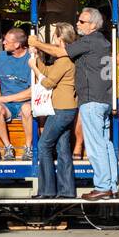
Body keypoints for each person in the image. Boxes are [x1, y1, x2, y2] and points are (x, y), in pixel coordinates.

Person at [32, 7, 117, 200]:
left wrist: (36, 43)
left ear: (93, 25)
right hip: (104, 99)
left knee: (96, 146)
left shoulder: (89, 41)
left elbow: (61, 52)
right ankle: (111, 184)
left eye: (82, 21)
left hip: (91, 100)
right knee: (105, 144)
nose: (77, 24)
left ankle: (103, 186)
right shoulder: (103, 42)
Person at [32, 23, 78, 198]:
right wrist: (36, 60)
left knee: (44, 145)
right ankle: (66, 190)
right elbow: (49, 71)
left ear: (59, 38)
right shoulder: (64, 59)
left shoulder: (65, 60)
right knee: (63, 148)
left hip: (61, 109)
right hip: (65, 108)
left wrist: (34, 68)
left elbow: (47, 82)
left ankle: (47, 190)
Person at [0, 28, 34, 161]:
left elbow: (32, 91)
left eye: (7, 41)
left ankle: (28, 147)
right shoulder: (0, 57)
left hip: (25, 103)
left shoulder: (31, 59)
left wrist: (6, 98)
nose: (3, 43)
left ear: (17, 45)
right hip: (6, 106)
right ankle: (7, 147)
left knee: (27, 109)